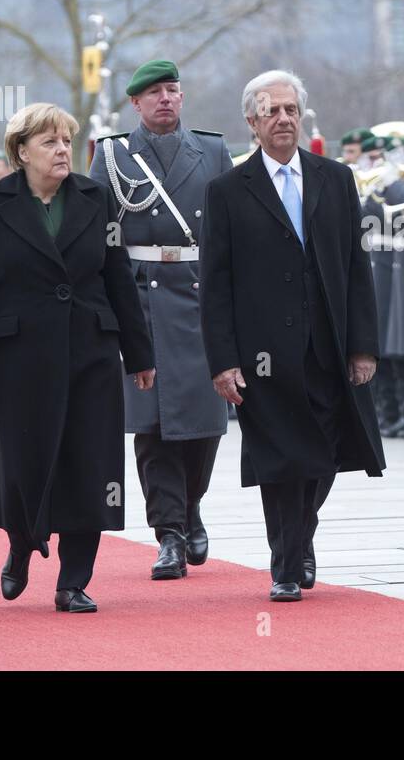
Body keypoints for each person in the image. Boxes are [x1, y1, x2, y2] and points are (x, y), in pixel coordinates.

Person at [0, 102, 155, 613]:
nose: (63, 150)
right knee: (22, 461)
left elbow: (118, 278)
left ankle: (73, 580)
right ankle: (21, 543)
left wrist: (139, 353)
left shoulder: (96, 198)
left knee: (90, 462)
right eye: (50, 142)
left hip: (90, 350)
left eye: (66, 140)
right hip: (17, 357)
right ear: (21, 152)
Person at [201, 70, 384, 601]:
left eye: (291, 110)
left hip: (327, 343)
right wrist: (222, 360)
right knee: (280, 458)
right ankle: (285, 565)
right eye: (272, 111)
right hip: (263, 355)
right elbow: (214, 284)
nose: (284, 118)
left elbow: (356, 265)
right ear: (252, 122)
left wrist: (363, 346)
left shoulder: (336, 178)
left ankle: (301, 534)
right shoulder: (228, 191)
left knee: (325, 456)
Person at [89, 58, 232, 580]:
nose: (165, 99)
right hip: (141, 298)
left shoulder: (213, 150)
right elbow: (96, 231)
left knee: (204, 423)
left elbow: (232, 226)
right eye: (154, 94)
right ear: (136, 103)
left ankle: (192, 506)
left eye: (173, 90)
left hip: (199, 297)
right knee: (151, 427)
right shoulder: (110, 154)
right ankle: (168, 533)